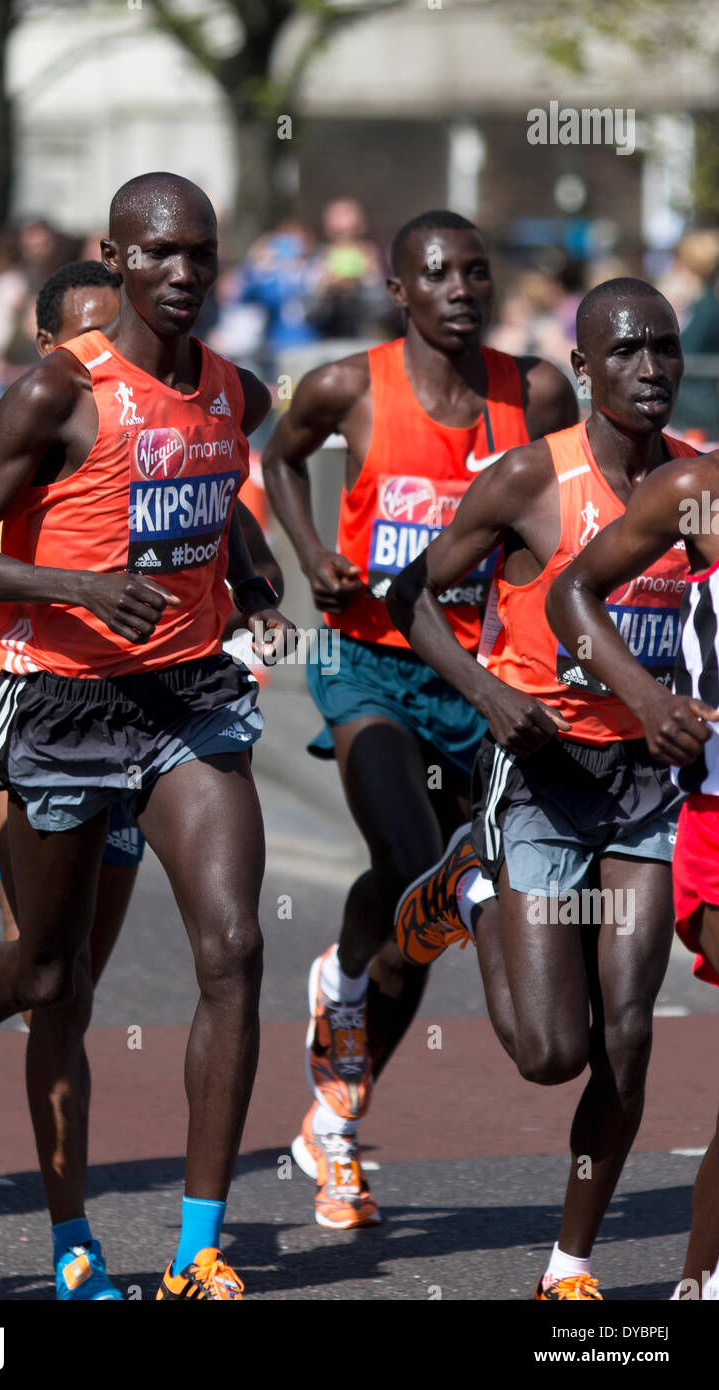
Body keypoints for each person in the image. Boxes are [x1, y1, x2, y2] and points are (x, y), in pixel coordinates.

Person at [0, 172, 292, 1302]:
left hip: (187, 697)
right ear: (112, 261)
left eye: (199, 253)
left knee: (234, 949)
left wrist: (253, 584)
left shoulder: (235, 393)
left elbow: (218, 500)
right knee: (50, 971)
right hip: (58, 701)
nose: (181, 273)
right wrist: (76, 585)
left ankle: (196, 1250)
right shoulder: (54, 395)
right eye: (157, 253)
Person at [261, 209, 577, 1228]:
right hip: (368, 667)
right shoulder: (348, 385)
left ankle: (334, 1098)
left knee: (414, 918)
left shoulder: (530, 393)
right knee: (416, 864)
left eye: (475, 272)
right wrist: (309, 552)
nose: (458, 288)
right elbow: (277, 457)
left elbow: (577, 512)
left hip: (481, 680)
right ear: (398, 291)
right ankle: (350, 1014)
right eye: (435, 274)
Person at [388, 277, 695, 1299]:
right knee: (545, 1052)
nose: (647, 370)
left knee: (627, 1027)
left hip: (645, 781)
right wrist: (482, 691)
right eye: (623, 352)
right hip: (541, 769)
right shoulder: (528, 479)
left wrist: (670, 708)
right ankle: (466, 892)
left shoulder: (692, 483)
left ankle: (568, 1265)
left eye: (663, 349)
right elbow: (411, 594)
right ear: (581, 368)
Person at [546, 422, 719, 1300]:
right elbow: (570, 592)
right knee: (557, 1046)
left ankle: (669, 1277)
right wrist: (649, 697)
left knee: (640, 1036)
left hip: (670, 804)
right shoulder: (700, 490)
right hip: (706, 815)